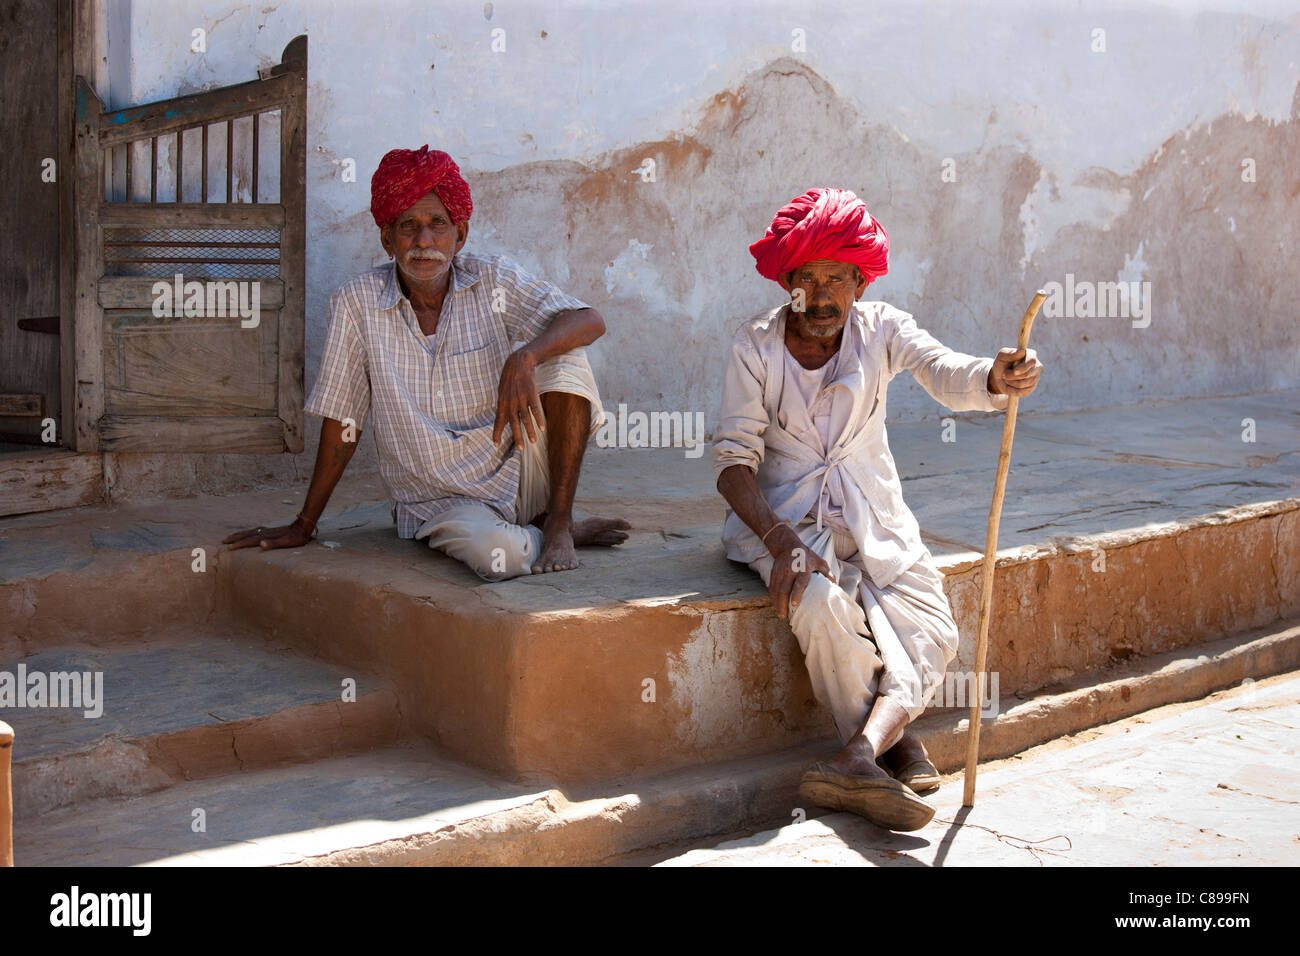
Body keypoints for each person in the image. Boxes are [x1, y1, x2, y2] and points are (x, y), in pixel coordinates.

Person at [712, 187, 1042, 830]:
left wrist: (995, 377)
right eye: (809, 279)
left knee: (934, 630)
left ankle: (859, 752)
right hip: (786, 526)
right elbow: (731, 466)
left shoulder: (883, 328)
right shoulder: (754, 346)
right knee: (819, 607)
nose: (823, 296)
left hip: (876, 520)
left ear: (860, 284)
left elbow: (944, 369)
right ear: (789, 284)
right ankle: (898, 743)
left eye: (839, 279)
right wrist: (782, 541)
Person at [225, 146, 629, 578]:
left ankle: (560, 522)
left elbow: (590, 319)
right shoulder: (357, 303)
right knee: (501, 557)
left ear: (461, 234)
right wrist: (305, 523)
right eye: (408, 227)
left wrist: (525, 357)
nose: (423, 241)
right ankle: (539, 533)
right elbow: (343, 419)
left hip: (520, 476)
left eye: (438, 225)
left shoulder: (492, 278)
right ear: (386, 238)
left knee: (566, 354)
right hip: (440, 499)